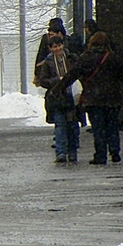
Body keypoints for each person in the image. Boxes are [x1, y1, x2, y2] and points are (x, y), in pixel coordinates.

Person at [58, 31, 123, 165]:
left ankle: (100, 155)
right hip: (112, 99)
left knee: (98, 128)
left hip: (93, 99)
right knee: (112, 126)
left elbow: (72, 74)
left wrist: (59, 88)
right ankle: (114, 151)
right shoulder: (113, 58)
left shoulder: (85, 58)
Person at [35, 34, 80, 163]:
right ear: (50, 49)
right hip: (57, 98)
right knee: (60, 126)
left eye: (59, 46)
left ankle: (72, 152)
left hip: (71, 97)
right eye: (54, 47)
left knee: (72, 126)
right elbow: (43, 81)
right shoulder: (48, 63)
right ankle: (61, 152)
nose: (58, 49)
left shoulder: (71, 58)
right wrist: (57, 80)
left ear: (63, 45)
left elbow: (79, 73)